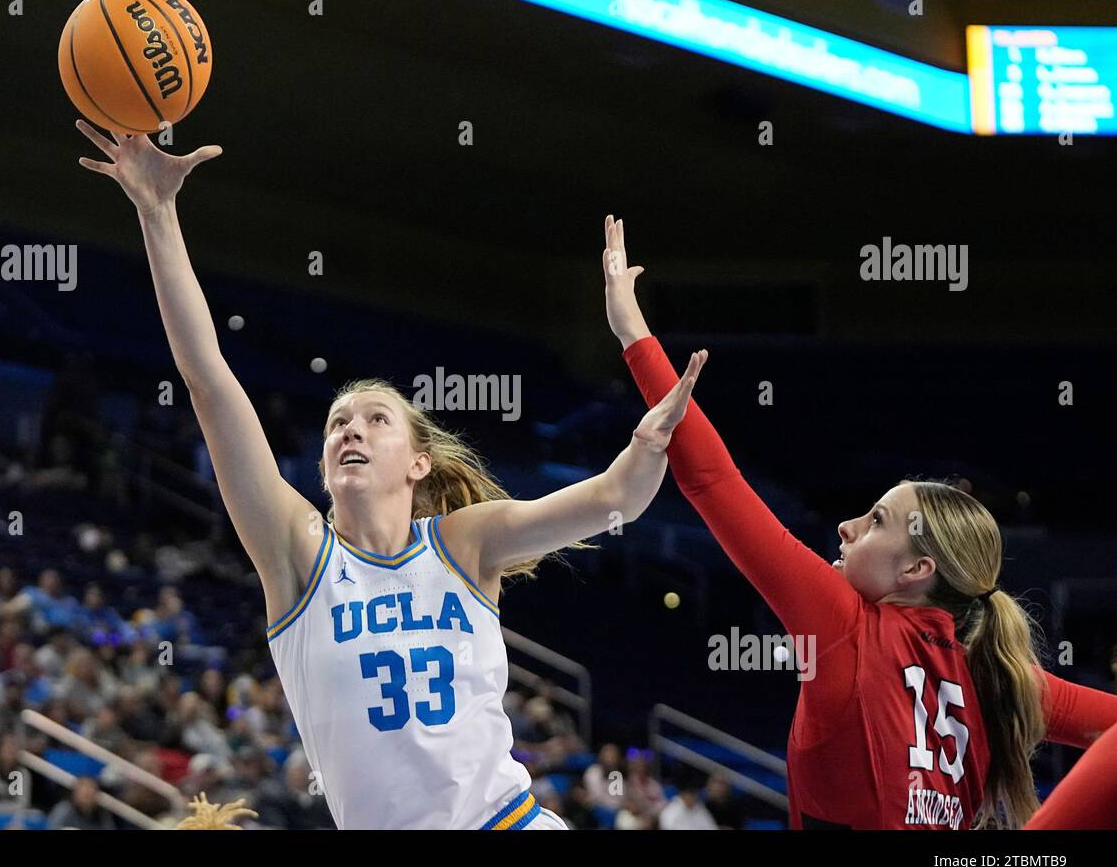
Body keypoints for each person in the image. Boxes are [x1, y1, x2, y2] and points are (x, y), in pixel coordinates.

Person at [75, 120, 703, 829]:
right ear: (321, 466)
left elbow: (616, 498)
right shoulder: (298, 554)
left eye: (375, 419)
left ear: (417, 462)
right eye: (338, 423)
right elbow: (210, 385)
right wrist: (157, 213)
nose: (350, 429)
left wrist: (649, 443)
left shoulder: (465, 542)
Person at [602, 213, 1117, 829]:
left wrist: (632, 330)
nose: (845, 527)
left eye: (875, 521)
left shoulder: (842, 622)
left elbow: (712, 481)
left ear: (917, 569)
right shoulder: (1001, 672)